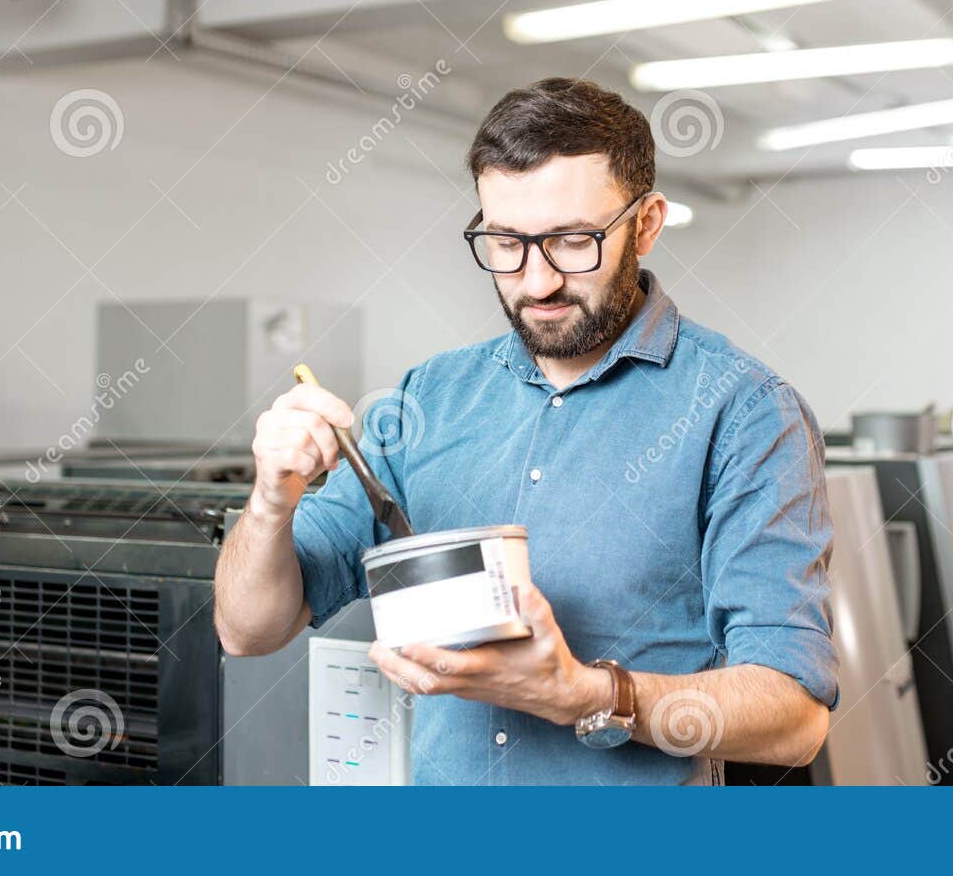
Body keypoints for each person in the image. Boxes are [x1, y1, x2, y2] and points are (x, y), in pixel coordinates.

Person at [215, 76, 837, 785]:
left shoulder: (745, 413)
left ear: (648, 222)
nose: (536, 282)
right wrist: (271, 500)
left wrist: (587, 696)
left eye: (574, 241)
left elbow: (795, 716)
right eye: (506, 242)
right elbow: (248, 629)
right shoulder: (430, 397)